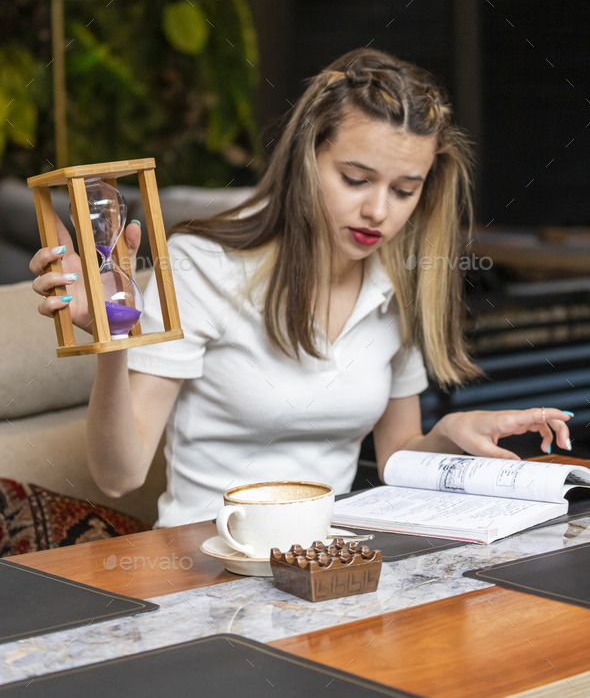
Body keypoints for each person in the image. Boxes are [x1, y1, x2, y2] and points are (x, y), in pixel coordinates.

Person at [30, 47, 573, 529]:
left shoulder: (396, 283)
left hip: (329, 558)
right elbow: (118, 476)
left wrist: (452, 431)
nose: (378, 211)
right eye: (355, 179)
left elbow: (395, 456)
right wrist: (109, 340)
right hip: (206, 559)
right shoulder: (203, 267)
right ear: (306, 159)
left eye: (405, 190)